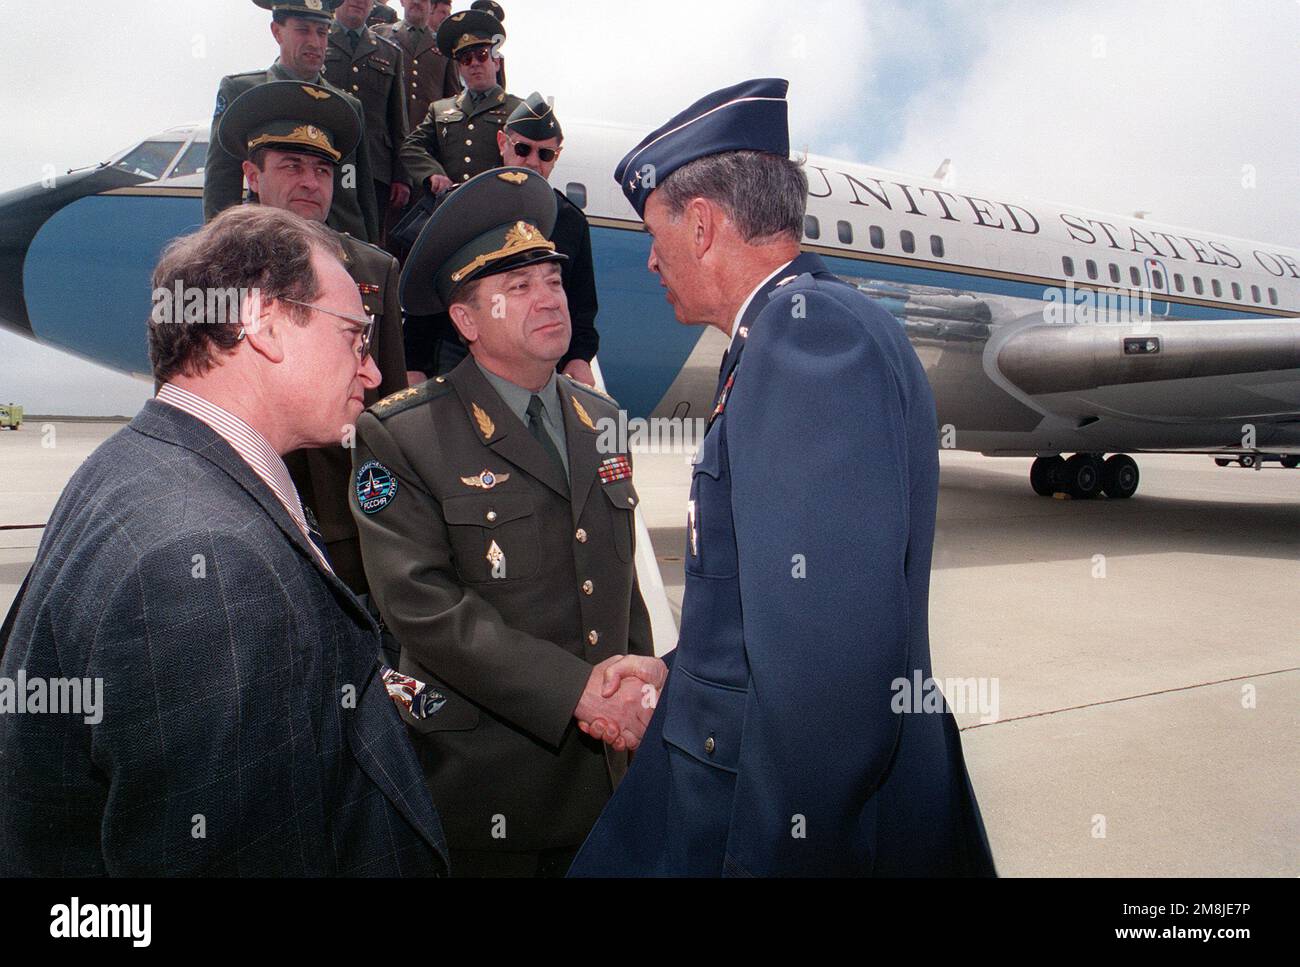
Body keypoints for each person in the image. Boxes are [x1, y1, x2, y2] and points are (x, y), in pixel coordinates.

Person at [569, 79, 997, 877]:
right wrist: (684, 671)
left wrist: (777, 851)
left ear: (701, 225)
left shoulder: (808, 339)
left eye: (654, 231)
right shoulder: (788, 331)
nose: (651, 257)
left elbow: (831, 680)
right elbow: (775, 610)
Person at [0, 206, 447, 876]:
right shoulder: (209, 567)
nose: (372, 371)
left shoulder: (132, 462)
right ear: (261, 323)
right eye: (355, 335)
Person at [349, 166, 656, 877]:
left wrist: (636, 690)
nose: (548, 299)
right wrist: (573, 690)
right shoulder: (404, 434)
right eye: (517, 288)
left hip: (608, 775)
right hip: (490, 787)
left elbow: (617, 580)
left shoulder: (601, 419)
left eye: (551, 280)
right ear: (465, 320)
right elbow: (420, 606)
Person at [217, 79, 408, 594]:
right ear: (252, 175)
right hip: (238, 510)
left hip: (344, 522)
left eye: (322, 169)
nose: (310, 182)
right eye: (292, 166)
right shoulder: (209, 274)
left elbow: (387, 406)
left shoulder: (373, 269)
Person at [404, 92, 599, 386]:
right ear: (501, 143)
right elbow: (430, 290)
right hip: (460, 355)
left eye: (545, 154)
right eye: (523, 148)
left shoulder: (570, 220)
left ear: (556, 156)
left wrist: (579, 358)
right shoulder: (464, 203)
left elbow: (581, 305)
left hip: (534, 361)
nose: (533, 162)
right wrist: (414, 363)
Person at [205, 0, 380, 243]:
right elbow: (221, 182)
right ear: (277, 32)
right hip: (266, 241)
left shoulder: (347, 106)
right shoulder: (242, 92)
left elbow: (360, 193)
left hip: (336, 244)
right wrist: (220, 246)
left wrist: (368, 250)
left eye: (322, 32)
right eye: (302, 30)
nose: (315, 42)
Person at [399, 8, 519, 192]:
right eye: (466, 59)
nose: (474, 63)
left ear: (495, 62)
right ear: (459, 69)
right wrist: (433, 173)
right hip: (451, 208)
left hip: (496, 205)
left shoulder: (517, 110)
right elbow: (411, 147)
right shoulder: (439, 110)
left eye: (482, 55)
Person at [323, 0, 412, 236]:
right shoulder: (318, 41)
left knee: (370, 241)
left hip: (375, 169)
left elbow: (397, 120)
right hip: (327, 161)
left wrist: (401, 176)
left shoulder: (390, 53)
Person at [376, 0, 458, 137]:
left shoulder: (444, 46)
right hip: (385, 137)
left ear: (431, 5)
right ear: (402, 1)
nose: (416, 2)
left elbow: (451, 100)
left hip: (425, 140)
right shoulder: (380, 35)